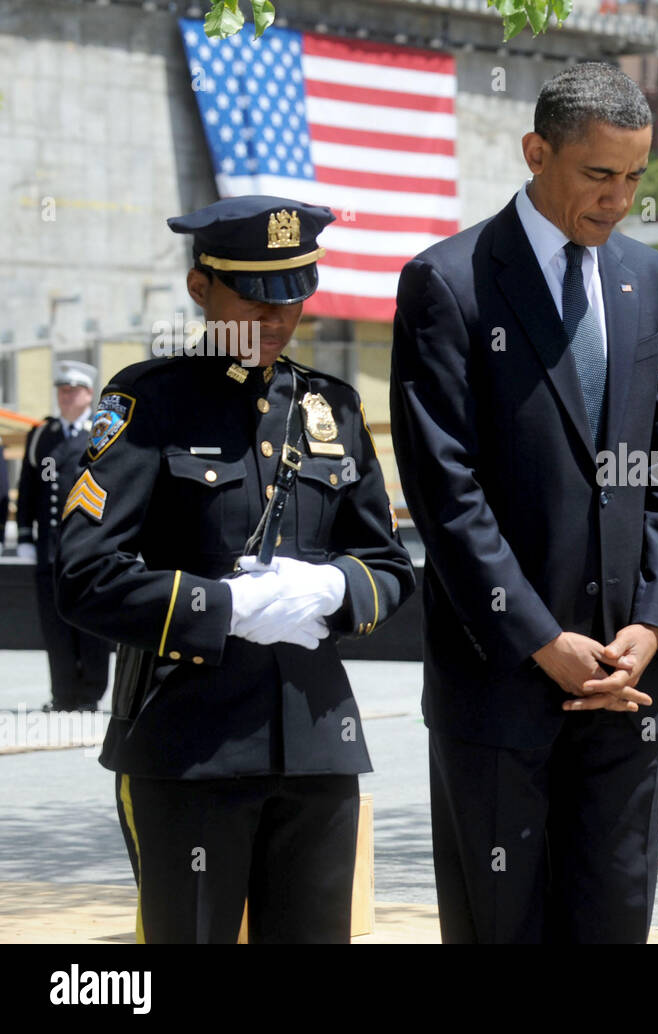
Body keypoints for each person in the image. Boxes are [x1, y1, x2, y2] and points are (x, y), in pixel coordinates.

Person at [390, 62, 658, 944]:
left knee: (612, 924)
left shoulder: (652, 280)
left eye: (636, 177)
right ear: (536, 152)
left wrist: (655, 623)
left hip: (630, 686)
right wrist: (540, 640)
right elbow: (445, 491)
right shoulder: (448, 283)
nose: (619, 200)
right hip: (501, 688)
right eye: (598, 175)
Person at [55, 196, 414, 943]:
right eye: (254, 297)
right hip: (189, 749)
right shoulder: (146, 404)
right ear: (201, 289)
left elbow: (388, 564)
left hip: (316, 745)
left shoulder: (332, 408)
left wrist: (335, 587)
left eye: (294, 295)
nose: (277, 319)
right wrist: (223, 608)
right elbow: (85, 573)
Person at [16, 360, 114, 711]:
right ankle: (63, 693)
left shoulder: (102, 433)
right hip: (50, 548)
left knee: (88, 622)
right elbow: (29, 489)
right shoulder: (44, 434)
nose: (65, 396)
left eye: (72, 390)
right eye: (61, 390)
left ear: (88, 394)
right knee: (53, 624)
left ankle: (89, 693)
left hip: (89, 548)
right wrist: (26, 536)